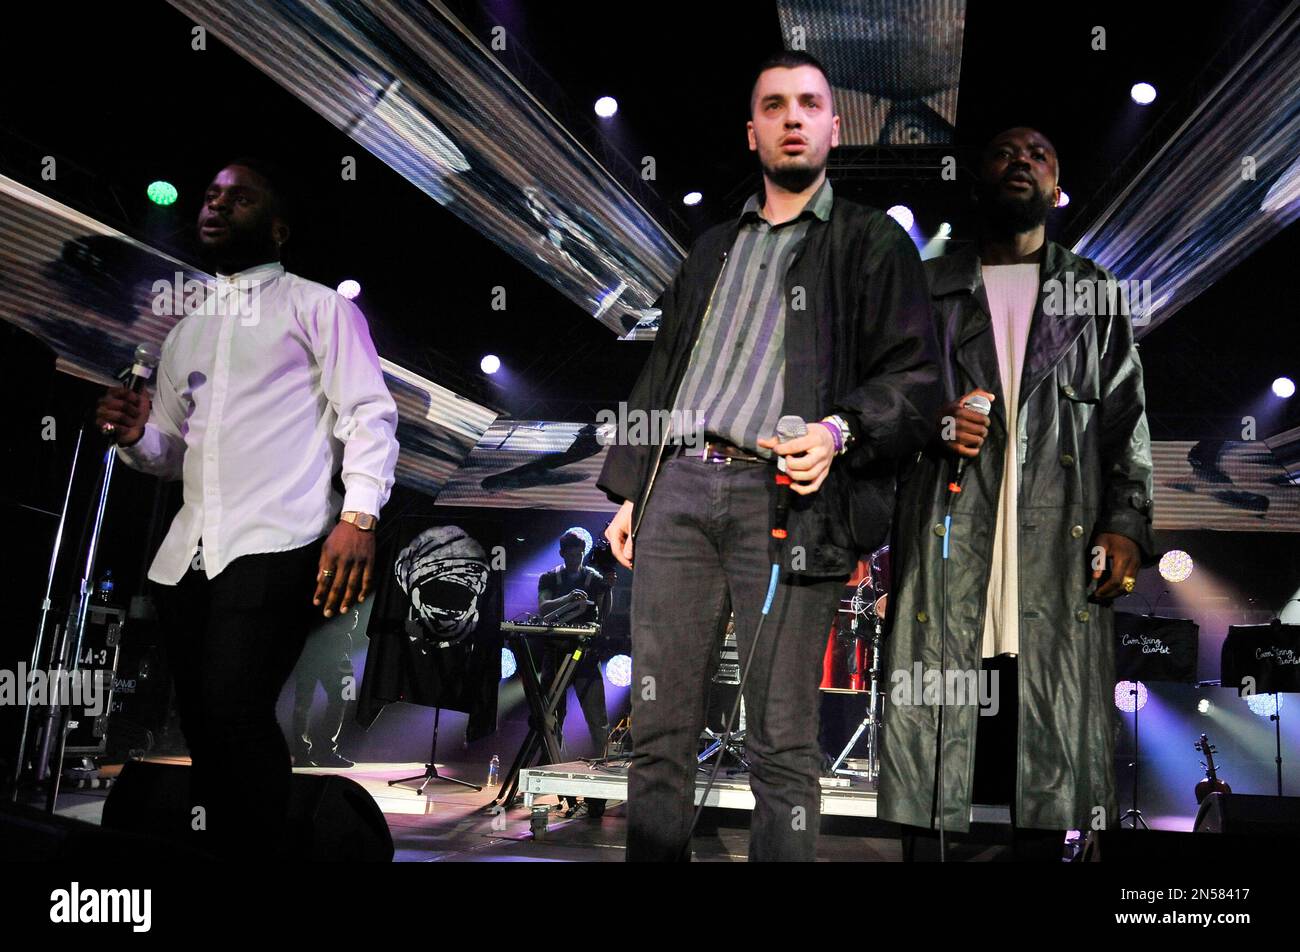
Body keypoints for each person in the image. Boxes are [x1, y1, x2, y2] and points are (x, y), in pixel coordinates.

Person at [600, 51, 940, 862]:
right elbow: (664, 372)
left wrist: (837, 431)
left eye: (810, 103)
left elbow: (918, 376)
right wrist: (629, 492)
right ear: (752, 132)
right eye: (775, 105)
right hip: (677, 488)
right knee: (658, 734)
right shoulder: (713, 247)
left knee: (782, 746)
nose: (793, 117)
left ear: (832, 126)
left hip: (786, 503)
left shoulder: (871, 243)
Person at [96, 158, 399, 857]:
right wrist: (135, 433)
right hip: (189, 554)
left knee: (234, 709)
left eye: (239, 198)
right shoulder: (185, 332)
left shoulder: (322, 308)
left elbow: (368, 417)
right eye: (210, 196)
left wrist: (358, 519)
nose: (216, 205)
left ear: (279, 227)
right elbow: (170, 453)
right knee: (203, 724)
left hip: (279, 539)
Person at [879, 127, 1156, 860]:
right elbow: (877, 409)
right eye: (1005, 152)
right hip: (948, 570)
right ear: (978, 180)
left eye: (1040, 154)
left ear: (1057, 189)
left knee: (1040, 801)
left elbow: (1126, 423)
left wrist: (1125, 522)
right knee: (939, 805)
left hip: (1053, 580)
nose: (1022, 162)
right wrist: (928, 421)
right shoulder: (928, 287)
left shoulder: (1091, 292)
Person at [537, 528, 614, 818]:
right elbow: (543, 608)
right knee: (551, 721)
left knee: (598, 723)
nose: (574, 557)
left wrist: (608, 589)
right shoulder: (549, 578)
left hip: (585, 657)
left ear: (582, 553)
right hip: (556, 655)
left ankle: (598, 793)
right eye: (570, 552)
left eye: (579, 552)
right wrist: (568, 598)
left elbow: (603, 615)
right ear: (562, 553)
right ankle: (559, 784)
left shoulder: (593, 577)